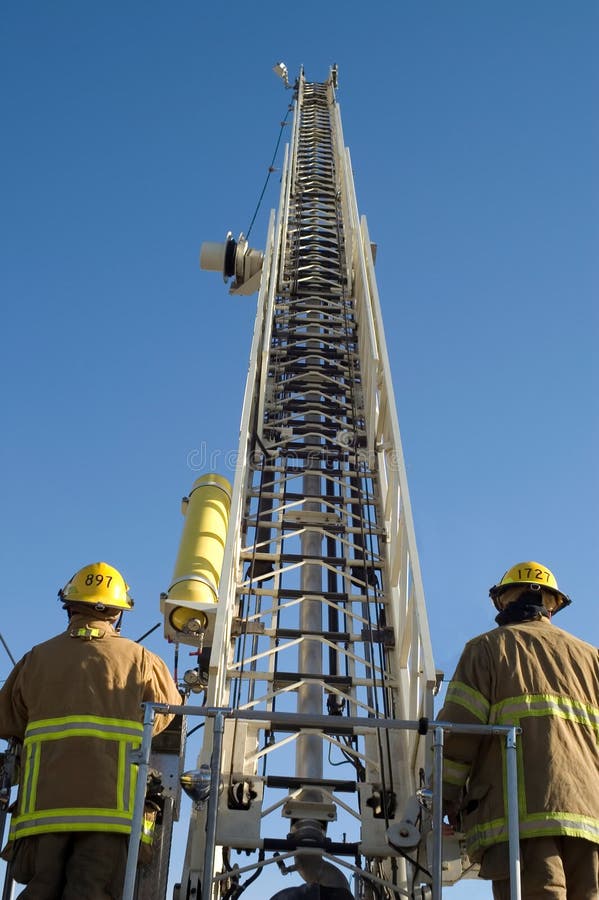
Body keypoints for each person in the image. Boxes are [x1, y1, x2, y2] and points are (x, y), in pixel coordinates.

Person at [0, 561, 181, 900]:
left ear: (70, 606)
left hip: (42, 811)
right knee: (91, 891)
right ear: (117, 613)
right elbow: (165, 713)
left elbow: (7, 722)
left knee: (39, 891)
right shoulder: (143, 660)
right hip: (111, 814)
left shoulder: (34, 659)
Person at [438, 561, 599, 900]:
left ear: (505, 600)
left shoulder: (486, 649)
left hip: (521, 818)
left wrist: (442, 796)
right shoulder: (591, 659)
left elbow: (461, 731)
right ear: (553, 605)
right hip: (591, 822)